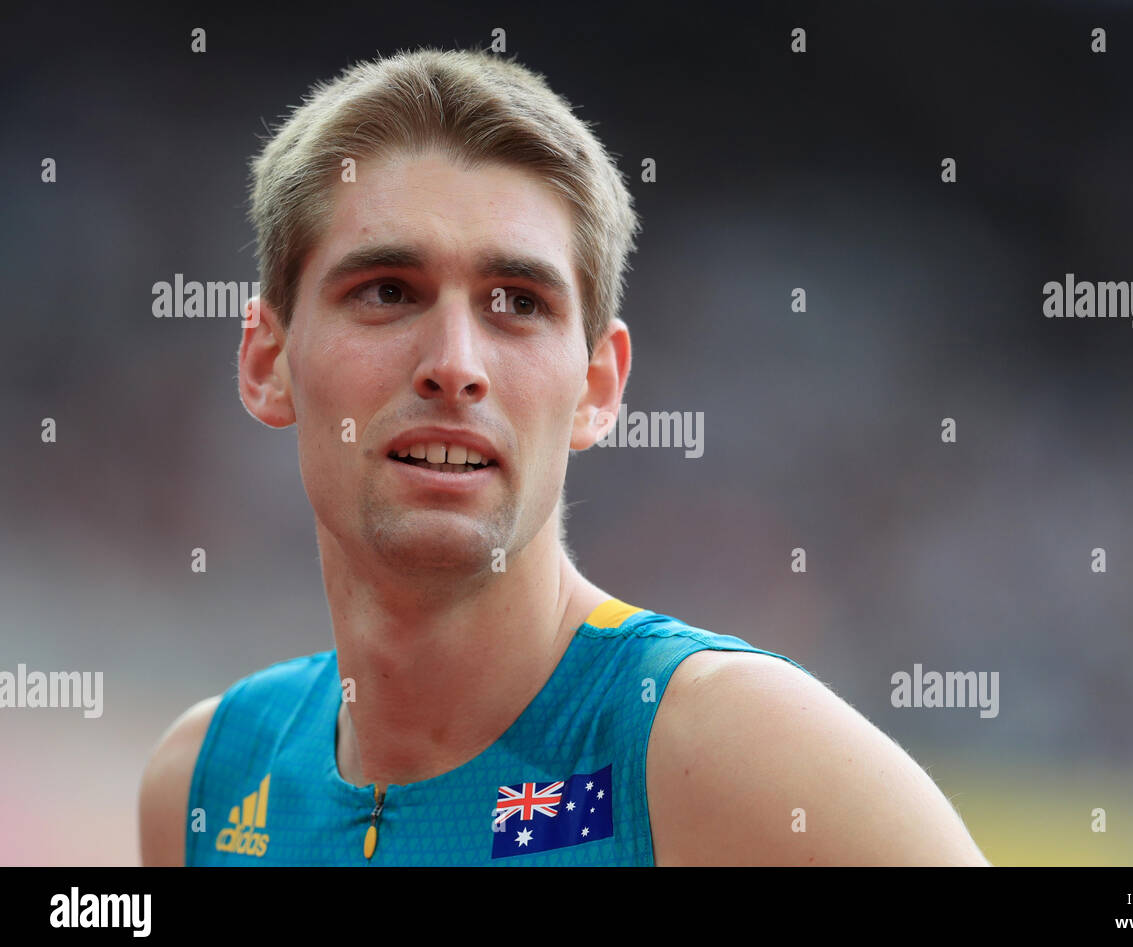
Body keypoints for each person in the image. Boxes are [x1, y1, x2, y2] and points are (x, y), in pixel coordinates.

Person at [138, 47, 989, 866]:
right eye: (387, 292)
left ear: (597, 386)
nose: (456, 365)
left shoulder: (721, 747)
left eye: (517, 303)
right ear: (267, 363)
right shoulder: (205, 784)